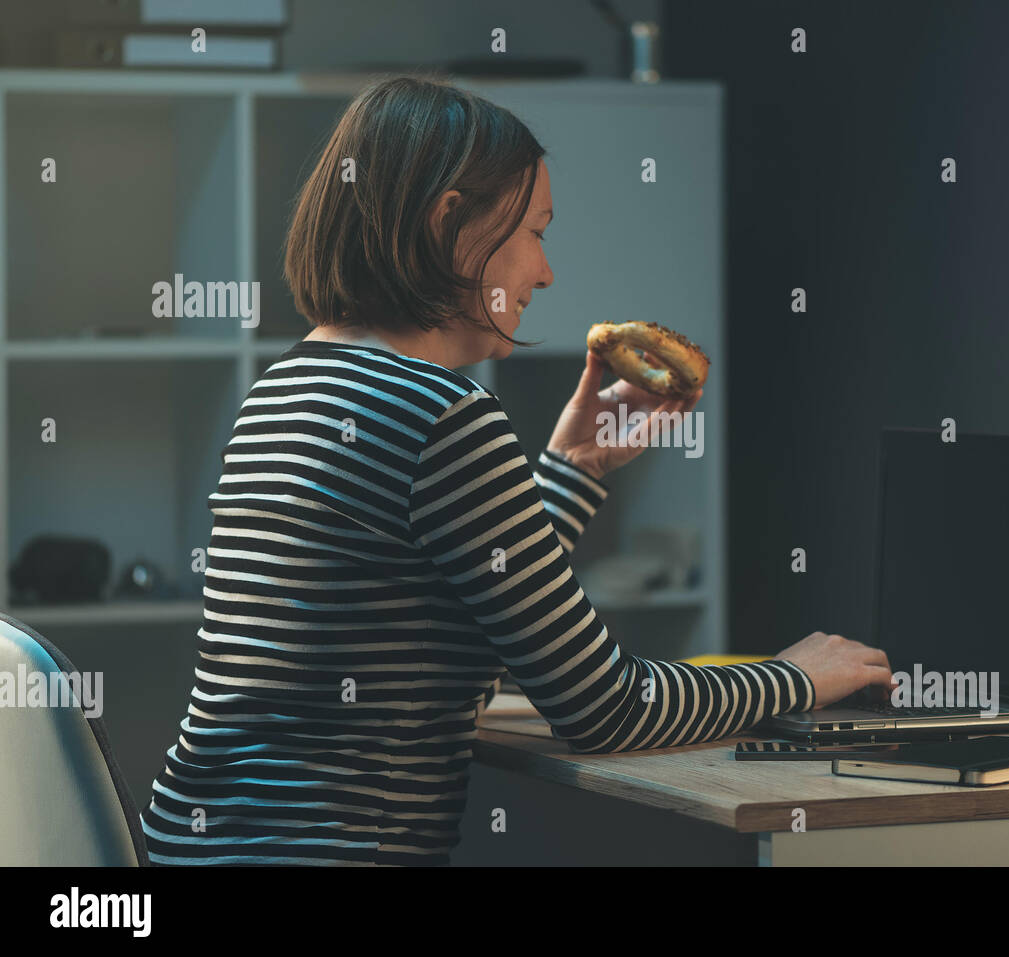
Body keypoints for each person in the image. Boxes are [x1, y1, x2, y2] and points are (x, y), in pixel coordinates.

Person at [139, 75, 892, 865]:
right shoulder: (441, 412)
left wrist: (573, 467)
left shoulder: (286, 386)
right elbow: (605, 706)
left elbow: (452, 594)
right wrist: (794, 676)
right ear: (451, 220)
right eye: (536, 230)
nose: (546, 271)